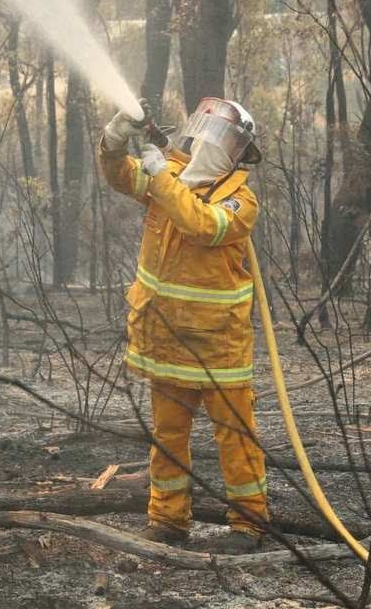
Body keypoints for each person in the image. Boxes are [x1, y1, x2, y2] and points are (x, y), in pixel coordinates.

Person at [99, 97, 268, 554]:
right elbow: (119, 175)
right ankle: (168, 521)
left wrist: (160, 175)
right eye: (206, 130)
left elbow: (201, 224)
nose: (208, 142)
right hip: (167, 340)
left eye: (222, 137)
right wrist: (115, 140)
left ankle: (249, 528)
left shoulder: (239, 200)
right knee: (167, 435)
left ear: (238, 151)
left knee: (235, 437)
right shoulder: (168, 172)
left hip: (220, 347)